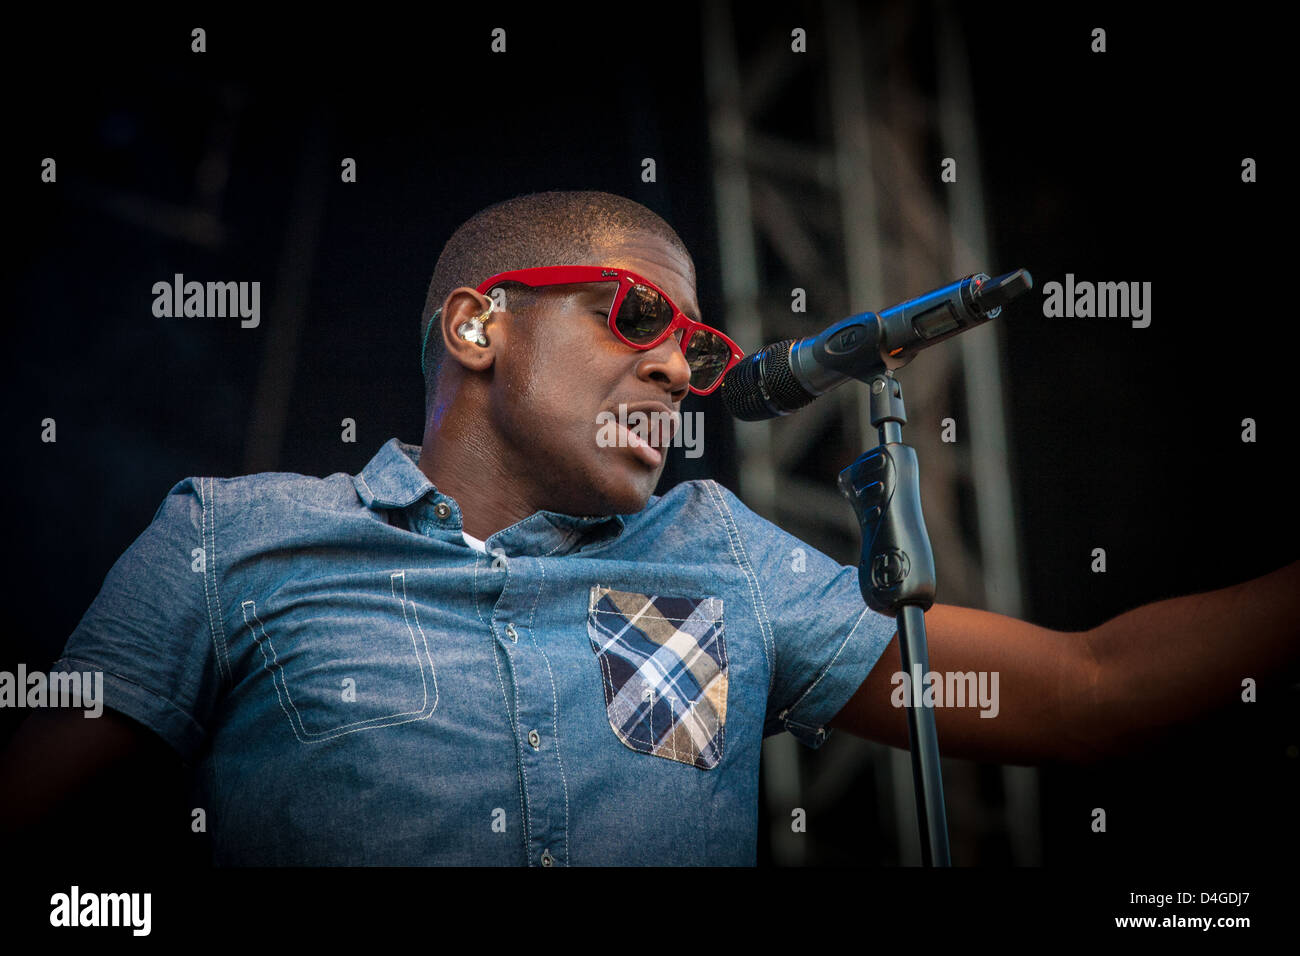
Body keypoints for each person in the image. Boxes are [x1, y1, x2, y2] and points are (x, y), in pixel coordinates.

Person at [2, 190, 1296, 865]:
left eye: (703, 347)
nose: (683, 371)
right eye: (635, 317)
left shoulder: (725, 557)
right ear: (478, 325)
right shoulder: (229, 541)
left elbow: (1095, 693)